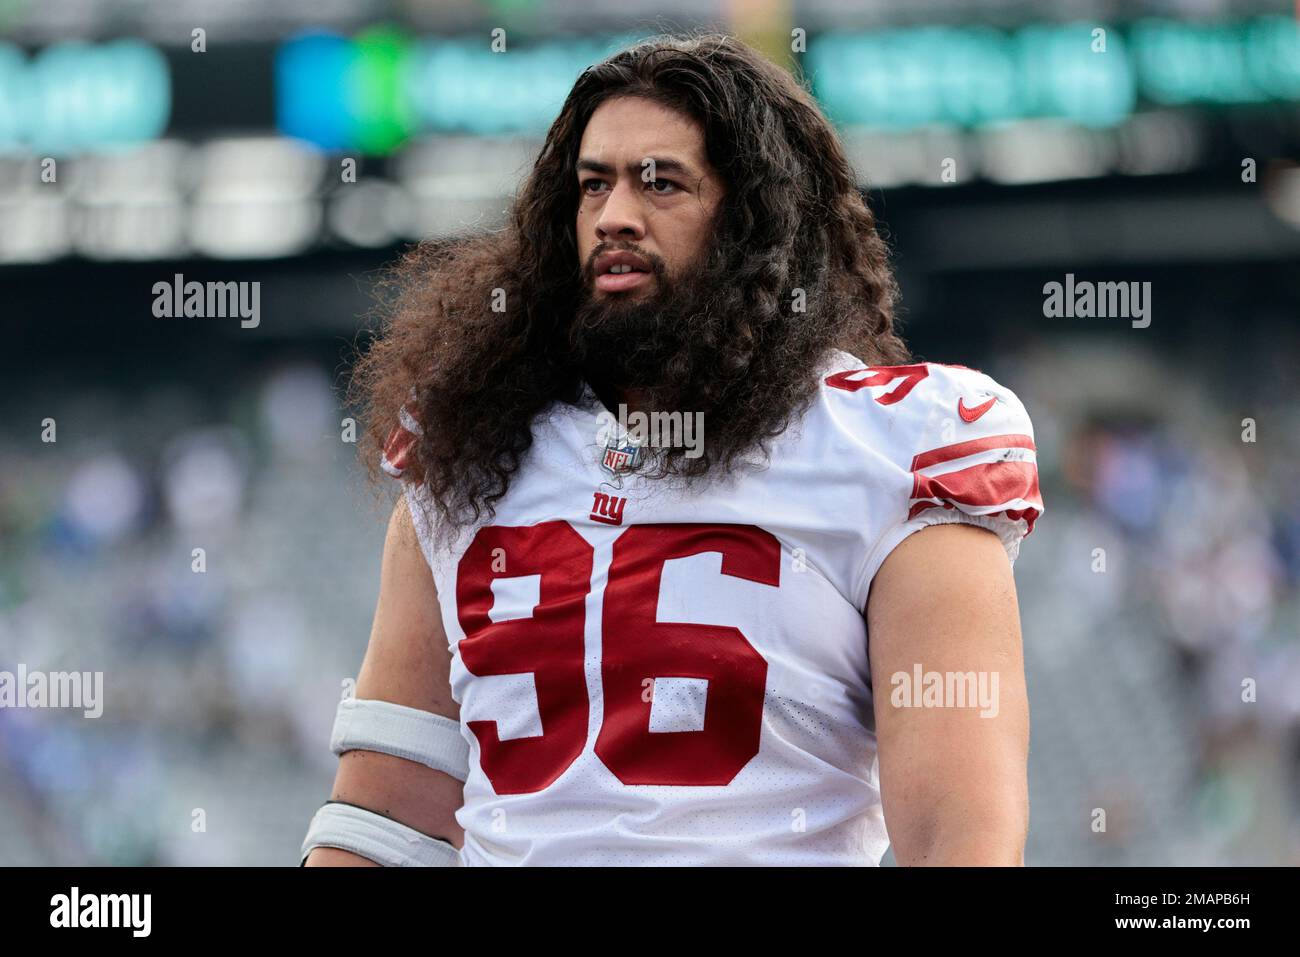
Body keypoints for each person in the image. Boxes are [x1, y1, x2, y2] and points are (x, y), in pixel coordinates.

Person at [302, 33, 1043, 867]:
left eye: (661, 181)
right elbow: (385, 815)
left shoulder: (894, 448)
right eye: (594, 185)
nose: (615, 214)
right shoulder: (472, 454)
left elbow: (959, 839)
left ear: (754, 219)